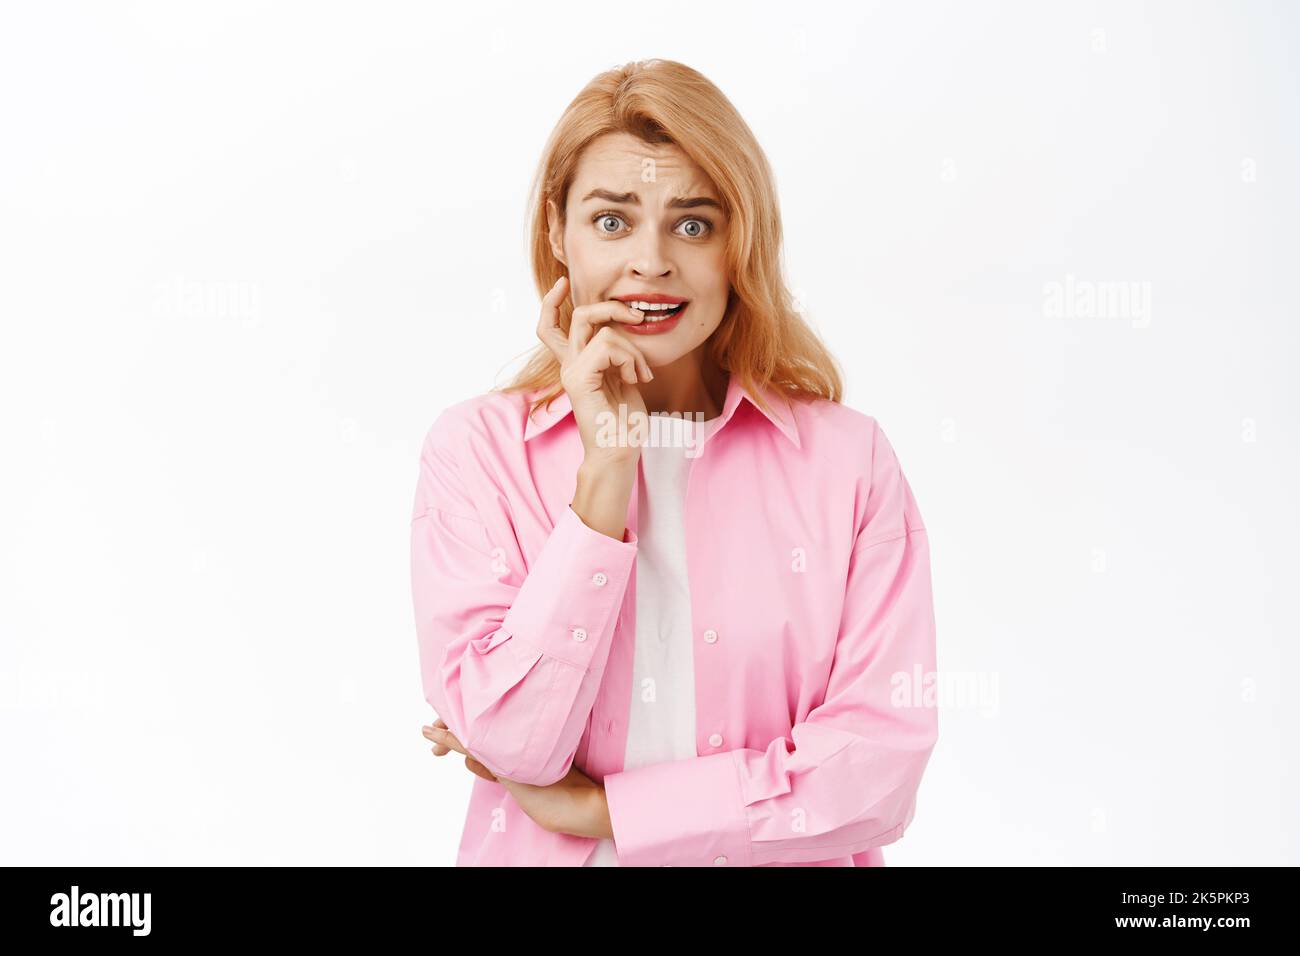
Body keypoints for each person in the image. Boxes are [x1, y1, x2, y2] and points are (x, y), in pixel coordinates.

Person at [411, 59, 938, 866]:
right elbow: (515, 743)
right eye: (612, 221)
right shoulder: (477, 454)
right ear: (558, 233)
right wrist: (606, 472)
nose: (651, 263)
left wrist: (601, 810)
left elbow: (876, 774)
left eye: (693, 224)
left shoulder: (847, 462)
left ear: (739, 243)